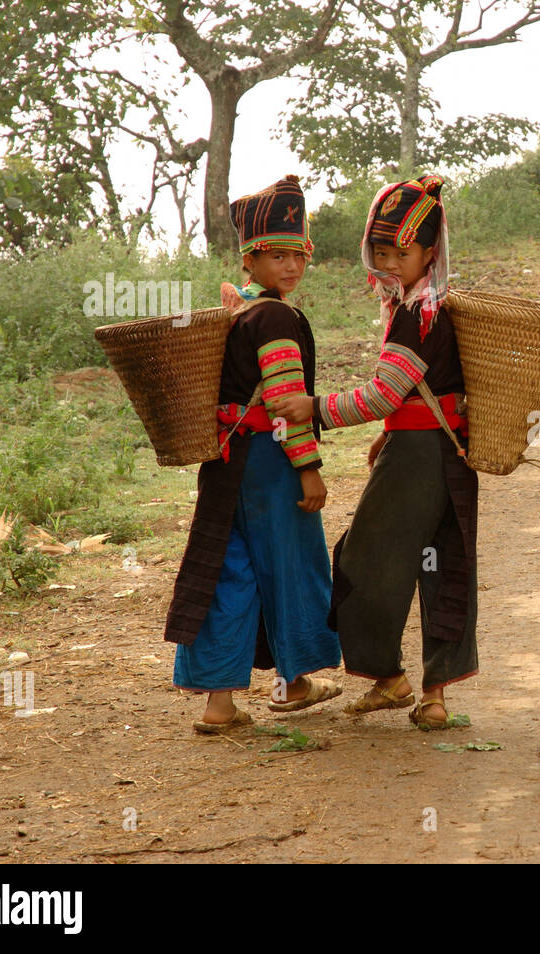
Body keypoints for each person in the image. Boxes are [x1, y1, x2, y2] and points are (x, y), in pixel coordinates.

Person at [268, 173, 477, 730]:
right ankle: (430, 697)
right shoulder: (427, 304)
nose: (387, 262)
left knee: (364, 561)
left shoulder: (416, 315)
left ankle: (392, 679)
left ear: (429, 251)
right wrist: (391, 429)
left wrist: (314, 407)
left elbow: (384, 392)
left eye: (400, 252)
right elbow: (412, 394)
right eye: (380, 251)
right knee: (441, 565)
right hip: (441, 449)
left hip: (420, 459)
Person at [164, 174, 342, 733]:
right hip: (270, 463)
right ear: (251, 260)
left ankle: (218, 704)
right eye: (277, 256)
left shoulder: (236, 314)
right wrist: (308, 471)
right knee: (292, 568)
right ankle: (295, 683)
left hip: (223, 462)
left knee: (229, 572)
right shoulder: (276, 318)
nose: (291, 267)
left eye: (299, 256)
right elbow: (289, 404)